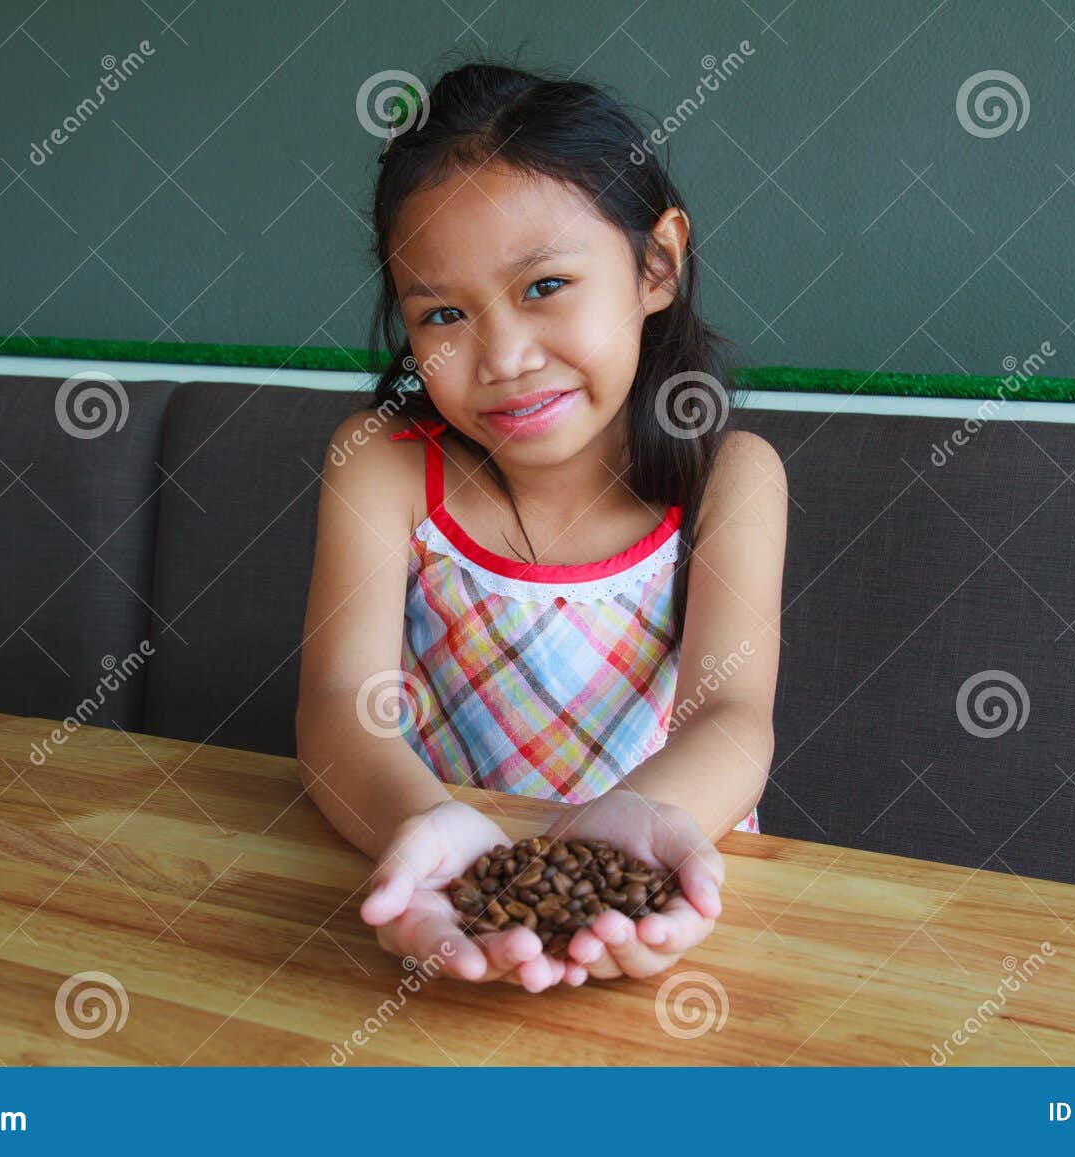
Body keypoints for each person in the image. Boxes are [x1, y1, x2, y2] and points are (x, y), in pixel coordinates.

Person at [296, 59, 787, 993]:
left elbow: (731, 713)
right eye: (442, 313)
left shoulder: (732, 477)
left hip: (676, 911)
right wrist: (422, 825)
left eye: (544, 286)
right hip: (440, 900)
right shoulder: (383, 463)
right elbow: (336, 705)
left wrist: (638, 822)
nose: (506, 358)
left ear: (657, 263)